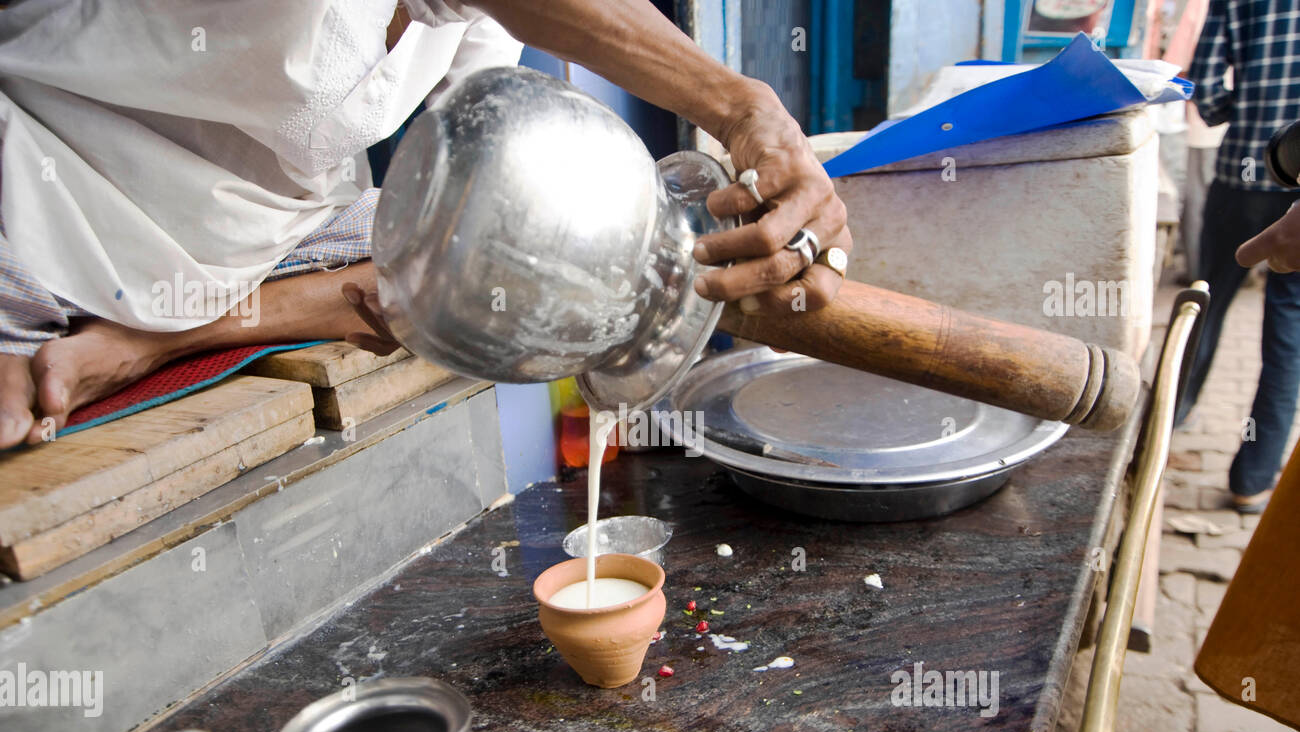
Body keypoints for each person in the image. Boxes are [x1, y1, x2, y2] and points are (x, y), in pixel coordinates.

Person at [0, 0, 850, 449]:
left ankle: (149, 339)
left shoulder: (472, 33)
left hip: (256, 243)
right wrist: (743, 104)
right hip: (44, 189)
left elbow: (453, 224)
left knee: (454, 279)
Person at [1177, 0, 1300, 513]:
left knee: (1202, 303)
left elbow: (1203, 90)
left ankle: (1166, 423)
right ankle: (1252, 479)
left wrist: (1243, 106)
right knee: (1289, 328)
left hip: (1243, 169)